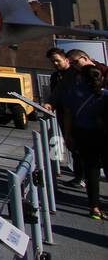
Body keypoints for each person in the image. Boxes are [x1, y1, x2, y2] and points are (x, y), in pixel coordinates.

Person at [52, 58, 108, 219]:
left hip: (83, 135)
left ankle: (95, 207)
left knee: (91, 171)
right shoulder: (104, 95)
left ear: (81, 77)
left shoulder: (74, 94)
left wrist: (68, 135)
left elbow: (68, 114)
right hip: (104, 135)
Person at [44, 48, 80, 183]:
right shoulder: (55, 76)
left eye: (57, 61)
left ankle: (80, 177)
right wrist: (50, 104)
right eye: (53, 62)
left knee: (78, 146)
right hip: (63, 115)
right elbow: (55, 95)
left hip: (76, 114)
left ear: (66, 60)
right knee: (71, 145)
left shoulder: (76, 74)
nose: (55, 64)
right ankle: (79, 176)